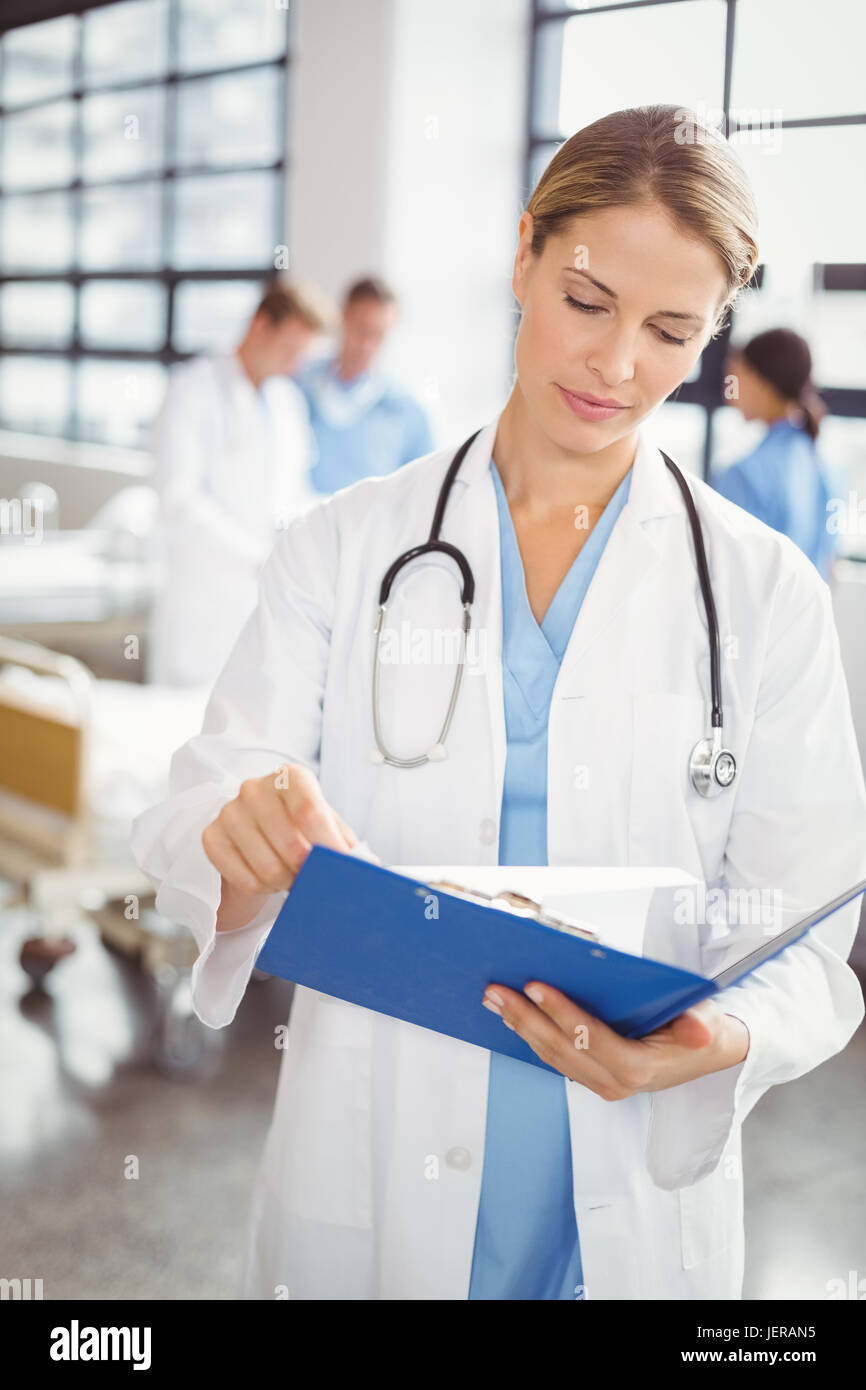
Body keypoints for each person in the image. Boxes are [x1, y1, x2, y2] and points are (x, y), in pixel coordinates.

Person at [131, 105, 866, 1301]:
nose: (616, 363)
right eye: (585, 301)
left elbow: (805, 928)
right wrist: (240, 829)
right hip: (368, 1163)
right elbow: (197, 803)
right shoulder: (343, 545)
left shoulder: (760, 591)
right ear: (524, 252)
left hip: (628, 1193)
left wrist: (720, 1035)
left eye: (671, 331)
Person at [147, 281, 332, 688]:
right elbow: (178, 500)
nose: (294, 366)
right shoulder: (192, 390)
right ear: (261, 326)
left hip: (265, 603)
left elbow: (291, 492)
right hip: (203, 601)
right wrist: (255, 557)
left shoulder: (286, 402)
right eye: (289, 351)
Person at [711, 328, 836, 580]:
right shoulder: (825, 466)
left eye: (734, 380)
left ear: (759, 381)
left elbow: (721, 578)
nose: (729, 394)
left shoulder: (743, 475)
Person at [295, 276, 434, 494]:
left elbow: (425, 492)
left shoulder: (408, 412)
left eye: (379, 335)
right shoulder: (297, 385)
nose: (367, 344)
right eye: (361, 329)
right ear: (342, 319)